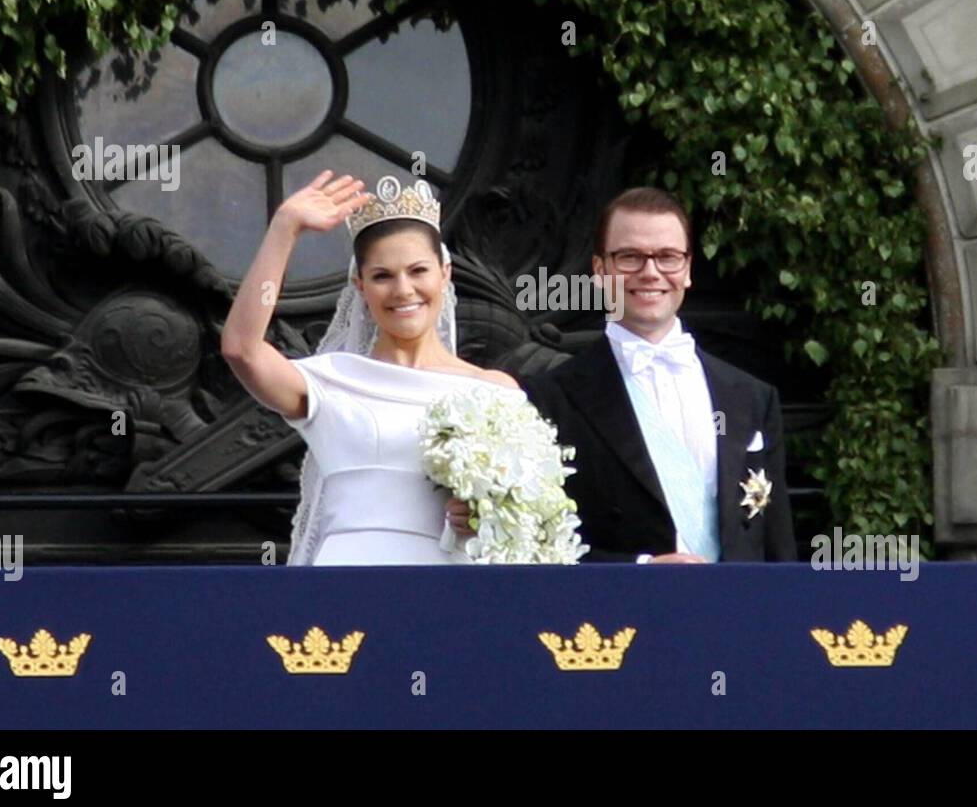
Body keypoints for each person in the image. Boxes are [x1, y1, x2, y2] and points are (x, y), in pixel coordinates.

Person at [460, 187, 795, 563]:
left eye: (668, 257)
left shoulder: (751, 397)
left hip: (738, 614)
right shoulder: (551, 398)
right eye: (630, 257)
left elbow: (776, 545)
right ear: (600, 270)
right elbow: (541, 547)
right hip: (615, 616)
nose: (650, 272)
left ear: (687, 270)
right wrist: (642, 569)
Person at [222, 171, 521, 565]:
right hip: (348, 578)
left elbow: (524, 519)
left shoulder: (495, 391)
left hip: (451, 582)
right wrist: (285, 228)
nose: (403, 290)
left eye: (418, 271)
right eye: (382, 276)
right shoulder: (329, 381)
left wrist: (485, 517)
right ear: (360, 285)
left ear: (444, 274)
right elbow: (242, 350)